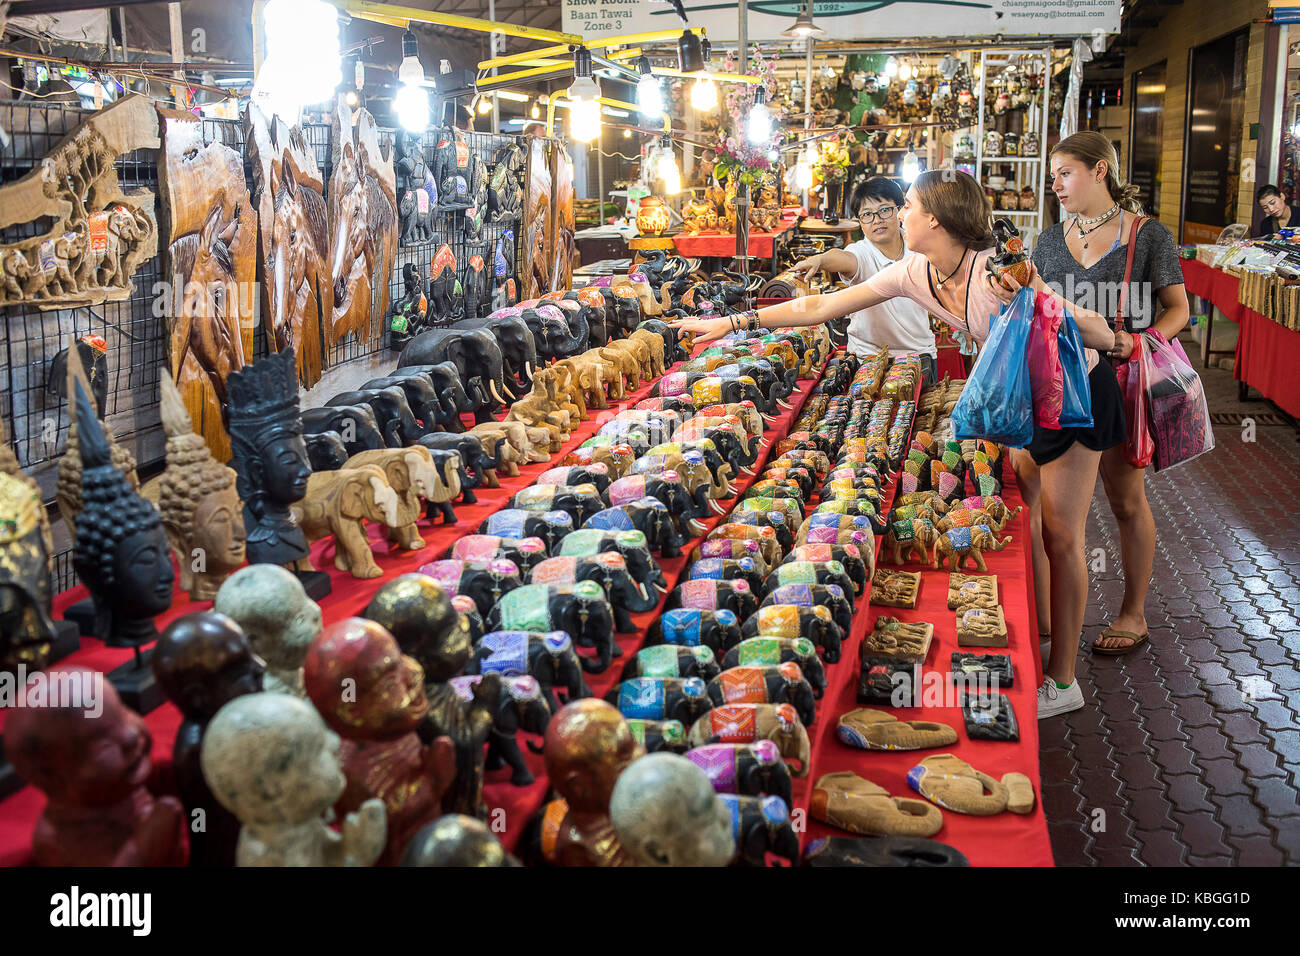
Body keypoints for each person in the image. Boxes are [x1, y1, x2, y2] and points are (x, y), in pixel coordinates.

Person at [670, 169, 1122, 719]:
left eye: (906, 206)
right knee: (1033, 509)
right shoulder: (914, 271)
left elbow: (1089, 328)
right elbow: (823, 307)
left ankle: (1064, 681)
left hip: (1072, 393)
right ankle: (1045, 626)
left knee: (1062, 534)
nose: (896, 215)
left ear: (934, 218)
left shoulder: (995, 273)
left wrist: (1073, 317)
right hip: (1022, 403)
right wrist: (736, 322)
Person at [1034, 131, 1189, 658]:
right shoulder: (1050, 240)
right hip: (1063, 383)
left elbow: (1179, 309)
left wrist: (1139, 342)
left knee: (1125, 500)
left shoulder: (1148, 236)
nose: (1054, 184)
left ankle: (1133, 612)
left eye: (1064, 173)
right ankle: (1057, 613)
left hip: (1124, 380)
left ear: (1100, 170)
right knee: (1057, 514)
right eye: (1053, 174)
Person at [790, 176, 939, 385]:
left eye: (884, 210)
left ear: (900, 210)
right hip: (867, 361)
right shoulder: (860, 252)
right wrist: (821, 259)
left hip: (918, 356)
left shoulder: (918, 246)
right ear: (859, 221)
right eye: (867, 215)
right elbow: (844, 259)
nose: (877, 220)